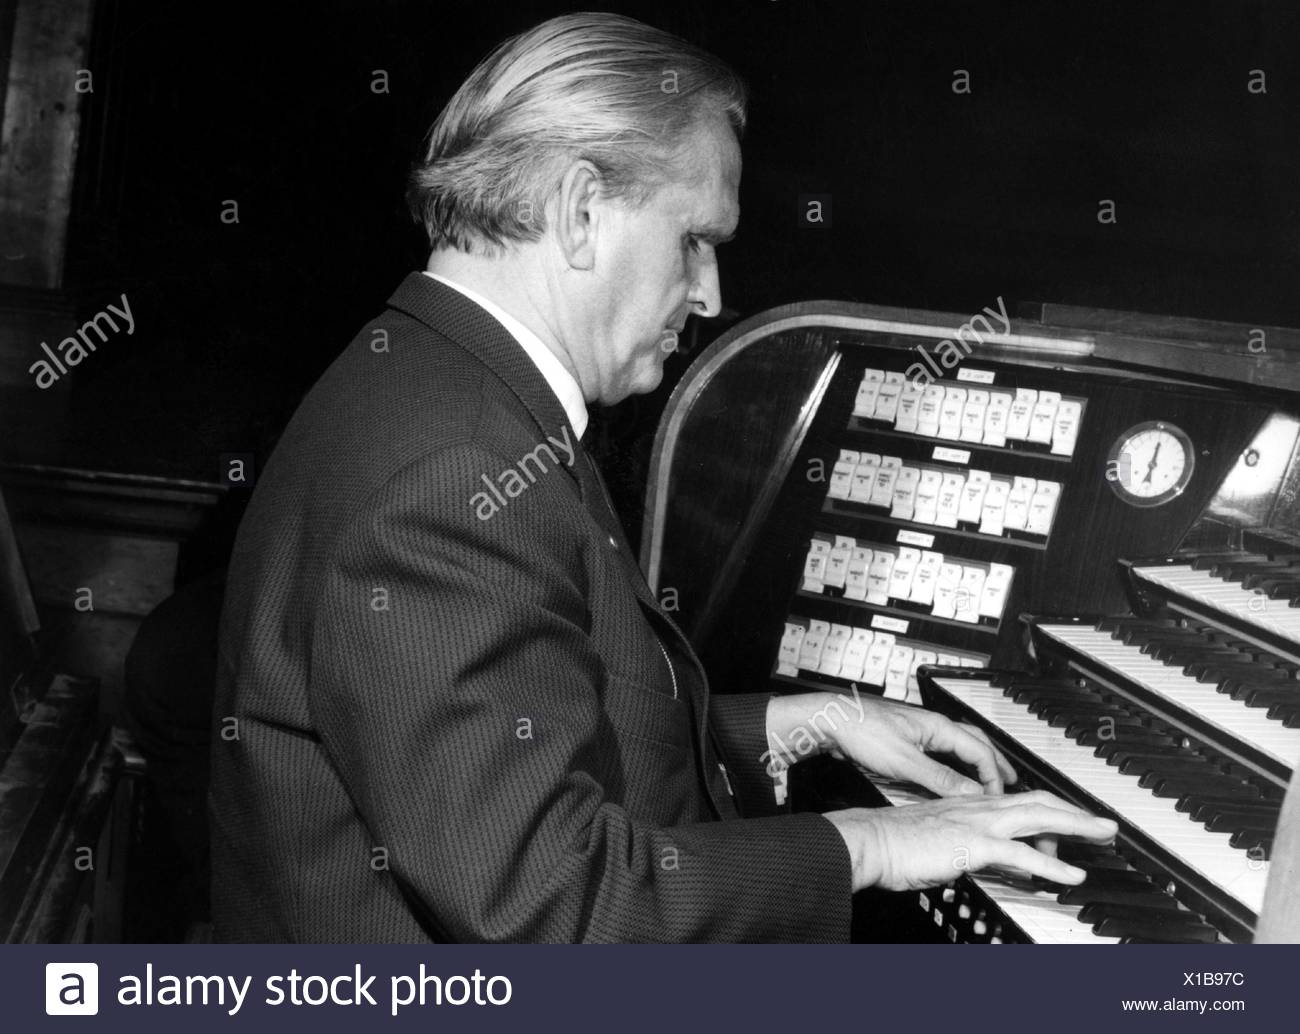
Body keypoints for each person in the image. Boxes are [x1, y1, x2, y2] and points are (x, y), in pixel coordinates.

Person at [208, 11, 1116, 942]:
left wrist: (799, 725)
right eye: (694, 239)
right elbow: (554, 908)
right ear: (579, 210)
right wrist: (872, 842)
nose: (712, 293)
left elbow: (540, 732)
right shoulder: (453, 473)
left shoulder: (446, 387)